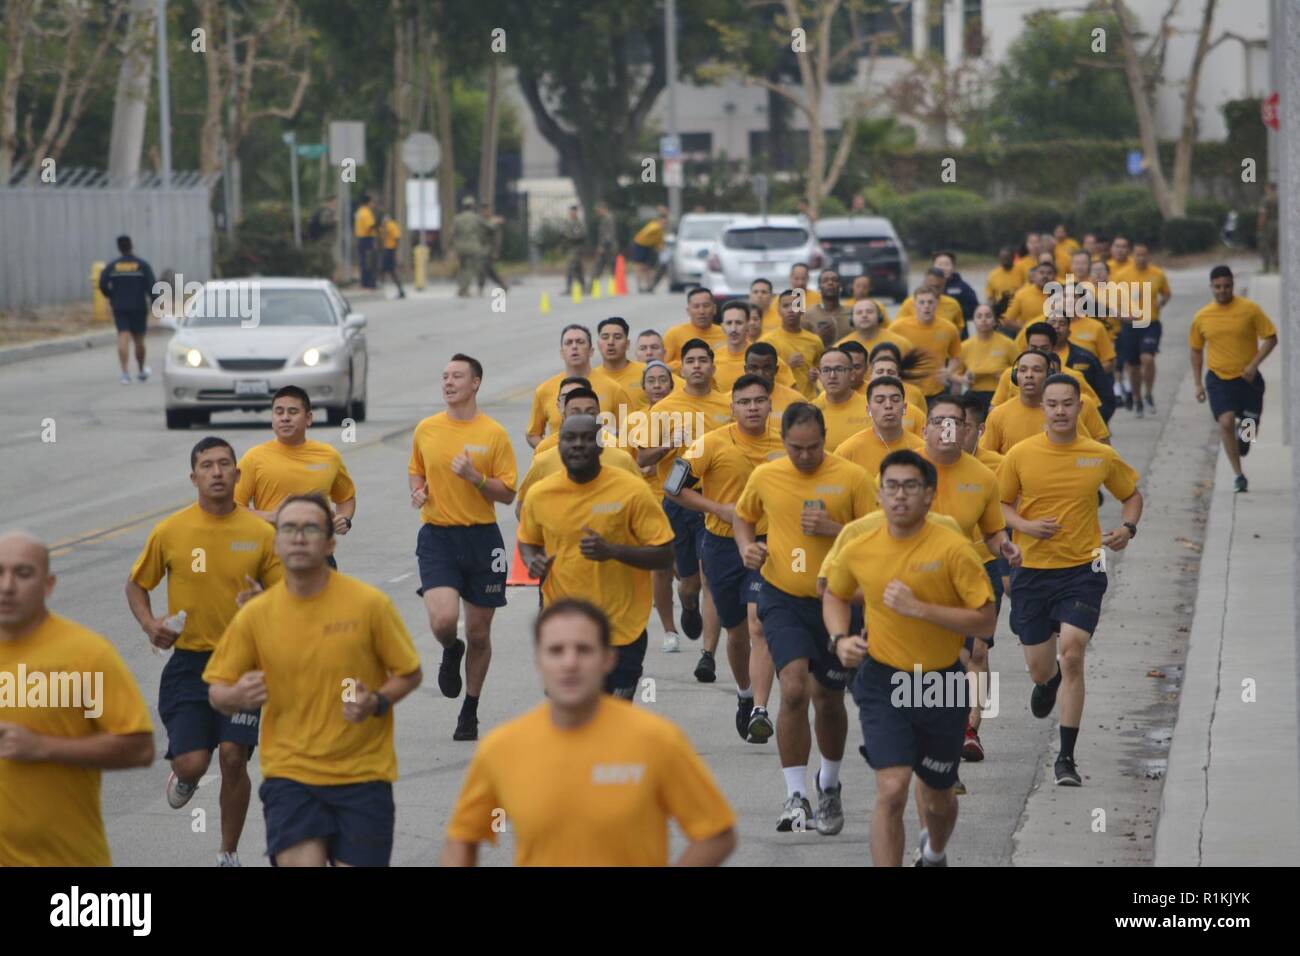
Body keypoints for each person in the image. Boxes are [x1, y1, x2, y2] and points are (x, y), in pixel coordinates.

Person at [205, 493, 423, 866]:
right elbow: (217, 689)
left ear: (330, 542)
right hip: (290, 777)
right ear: (276, 542)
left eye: (310, 528)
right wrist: (236, 694)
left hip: (362, 776)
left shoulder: (369, 605)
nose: (299, 537)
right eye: (288, 528)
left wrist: (377, 702)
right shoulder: (257, 615)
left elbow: (409, 672)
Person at [441, 600, 737, 866]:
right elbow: (462, 837)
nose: (570, 662)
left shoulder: (657, 741)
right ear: (539, 662)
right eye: (556, 651)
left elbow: (716, 833)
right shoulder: (503, 748)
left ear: (607, 658)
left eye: (584, 649)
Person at [823, 451, 996, 866]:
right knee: (892, 788)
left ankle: (934, 853)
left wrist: (921, 609)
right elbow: (834, 592)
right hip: (883, 679)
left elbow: (986, 617)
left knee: (937, 798)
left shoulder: (952, 546)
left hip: (939, 682)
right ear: (879, 494)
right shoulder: (860, 544)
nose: (900, 496)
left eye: (910, 487)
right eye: (891, 487)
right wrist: (839, 639)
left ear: (929, 495)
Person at [126, 437, 282, 866]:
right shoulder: (172, 530)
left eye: (224, 464)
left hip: (243, 667)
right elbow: (137, 583)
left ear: (236, 474)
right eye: (207, 466)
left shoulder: (259, 533)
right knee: (194, 763)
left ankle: (227, 854)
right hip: (190, 665)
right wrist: (149, 624)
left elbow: (289, 595)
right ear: (193, 477)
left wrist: (263, 606)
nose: (216, 472)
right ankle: (185, 775)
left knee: (234, 757)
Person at [734, 404, 872, 833]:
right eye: (796, 448)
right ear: (784, 441)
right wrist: (747, 548)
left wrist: (834, 529)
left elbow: (880, 532)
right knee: (792, 686)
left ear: (825, 437)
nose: (805, 456)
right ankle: (796, 796)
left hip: (837, 600)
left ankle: (828, 784)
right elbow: (743, 516)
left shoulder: (852, 477)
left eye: (813, 447)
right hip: (783, 597)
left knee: (828, 699)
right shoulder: (766, 475)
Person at [999, 375, 1143, 786]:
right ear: (1042, 409)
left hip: (1084, 568)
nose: (1060, 411)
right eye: (1053, 404)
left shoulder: (1098, 455)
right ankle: (1048, 683)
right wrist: (1025, 524)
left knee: (1073, 653)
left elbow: (1131, 495)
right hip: (1032, 571)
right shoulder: (1021, 455)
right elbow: (1001, 505)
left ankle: (1066, 759)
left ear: (1081, 407)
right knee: (1041, 668)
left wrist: (1127, 529)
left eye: (1067, 404)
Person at [0, 531, 154, 866]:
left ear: (48, 585)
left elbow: (140, 746)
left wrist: (43, 747)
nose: (7, 585)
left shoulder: (86, 654)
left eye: (23, 573)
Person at [518, 416, 675, 699]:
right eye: (570, 438)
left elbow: (665, 554)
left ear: (601, 446)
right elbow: (527, 541)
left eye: (586, 438)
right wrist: (532, 561)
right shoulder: (540, 494)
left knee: (612, 721)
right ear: (559, 446)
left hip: (621, 627)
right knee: (573, 718)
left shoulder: (631, 490)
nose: (578, 445)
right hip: (566, 624)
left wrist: (613, 551)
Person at [669, 374, 786, 739]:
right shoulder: (711, 444)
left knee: (759, 624)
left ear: (770, 405)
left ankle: (760, 709)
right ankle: (745, 694)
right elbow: (673, 488)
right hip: (721, 546)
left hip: (770, 544)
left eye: (759, 401)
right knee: (736, 631)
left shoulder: (785, 442)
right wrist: (717, 508)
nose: (753, 408)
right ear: (732, 407)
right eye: (745, 402)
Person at [409, 355, 517, 741]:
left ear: (476, 383)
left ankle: (469, 709)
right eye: (444, 376)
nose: (449, 382)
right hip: (438, 537)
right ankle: (450, 648)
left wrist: (476, 478)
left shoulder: (494, 433)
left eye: (457, 376)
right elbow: (416, 470)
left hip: (483, 539)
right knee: (442, 621)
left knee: (481, 633)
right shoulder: (426, 429)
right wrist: (418, 492)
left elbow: (506, 495)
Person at [917, 397, 1021, 784]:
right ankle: (941, 730)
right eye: (938, 421)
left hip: (976, 571)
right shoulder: (906, 468)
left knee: (975, 651)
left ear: (967, 429)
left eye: (954, 422)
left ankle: (969, 728)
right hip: (921, 576)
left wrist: (1005, 547)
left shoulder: (981, 475)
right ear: (925, 427)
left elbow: (993, 530)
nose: (946, 429)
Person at [637, 339, 733, 665]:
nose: (696, 366)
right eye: (690, 360)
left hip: (715, 500)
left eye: (702, 360)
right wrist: (667, 445)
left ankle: (707, 655)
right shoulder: (663, 408)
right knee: (690, 583)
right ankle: (688, 605)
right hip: (678, 502)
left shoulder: (726, 405)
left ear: (712, 366)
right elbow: (642, 459)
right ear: (683, 367)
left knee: (710, 578)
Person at [235, 386, 356, 569]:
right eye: (279, 412)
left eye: (293, 412)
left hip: (319, 555)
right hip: (273, 556)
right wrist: (270, 516)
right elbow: (233, 509)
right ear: (272, 418)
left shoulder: (328, 456)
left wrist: (343, 519)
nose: (285, 417)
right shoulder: (254, 458)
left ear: (308, 419)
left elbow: (346, 497)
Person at [1189, 265, 1278, 494]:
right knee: (1226, 421)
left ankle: (1244, 441)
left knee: (1246, 440)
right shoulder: (1202, 316)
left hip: (1248, 380)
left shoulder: (1250, 309)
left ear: (1232, 285)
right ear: (1211, 287)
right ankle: (1239, 475)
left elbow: (1270, 337)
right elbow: (1196, 350)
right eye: (1217, 287)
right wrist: (1198, 382)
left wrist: (1253, 365)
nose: (1222, 291)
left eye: (1226, 286)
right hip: (1218, 379)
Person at [526, 324, 634, 449]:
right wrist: (550, 453)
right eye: (568, 343)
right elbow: (533, 434)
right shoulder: (544, 390)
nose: (574, 347)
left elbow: (629, 432)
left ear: (591, 351)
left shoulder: (613, 389)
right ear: (561, 353)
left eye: (580, 342)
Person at [982, 349, 1106, 454]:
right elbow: (986, 458)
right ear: (1015, 376)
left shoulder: (1061, 414)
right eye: (1023, 370)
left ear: (1049, 375)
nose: (1029, 375)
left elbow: (1088, 451)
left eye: (1037, 370)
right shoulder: (998, 415)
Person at [1117, 243, 1171, 416]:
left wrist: (1161, 303)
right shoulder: (1122, 275)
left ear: (1149, 256)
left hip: (1150, 323)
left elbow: (1167, 293)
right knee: (1133, 367)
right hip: (1130, 325)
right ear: (1133, 255)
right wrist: (1122, 316)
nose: (1141, 258)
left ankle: (1148, 392)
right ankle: (1137, 398)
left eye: (1144, 254)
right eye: (1137, 254)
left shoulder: (1157, 274)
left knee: (1147, 358)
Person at [836, 375, 926, 477]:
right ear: (868, 410)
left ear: (904, 408)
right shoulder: (848, 451)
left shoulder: (921, 449)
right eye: (880, 400)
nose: (888, 405)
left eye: (895, 400)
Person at [100, 234, 158, 385]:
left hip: (119, 306)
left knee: (122, 336)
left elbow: (102, 283)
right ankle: (140, 371)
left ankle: (125, 373)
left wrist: (111, 295)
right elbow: (152, 287)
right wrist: (155, 303)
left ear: (119, 248)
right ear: (132, 245)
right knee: (139, 339)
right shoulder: (142, 265)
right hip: (138, 306)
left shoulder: (113, 266)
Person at [890, 287, 960, 403]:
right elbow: (884, 353)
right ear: (914, 305)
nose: (926, 306)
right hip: (907, 391)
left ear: (936, 304)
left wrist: (949, 371)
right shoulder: (898, 327)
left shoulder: (949, 328)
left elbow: (956, 357)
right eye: (922, 302)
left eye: (930, 302)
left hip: (937, 390)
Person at [760, 289, 825, 399]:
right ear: (778, 310)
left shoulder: (815, 340)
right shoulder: (766, 341)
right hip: (779, 399)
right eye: (785, 306)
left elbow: (822, 369)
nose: (791, 310)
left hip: (809, 399)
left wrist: (816, 374)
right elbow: (761, 374)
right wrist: (786, 366)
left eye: (795, 306)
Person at [957, 304, 1015, 415]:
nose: (983, 320)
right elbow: (954, 373)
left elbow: (1019, 367)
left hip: (1000, 394)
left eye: (988, 316)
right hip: (974, 395)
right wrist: (964, 379)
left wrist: (1006, 375)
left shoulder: (1008, 343)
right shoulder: (964, 346)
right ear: (973, 321)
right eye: (979, 316)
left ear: (994, 321)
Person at [810, 347, 868, 451]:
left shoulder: (871, 408)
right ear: (820, 375)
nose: (832, 376)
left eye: (839, 369)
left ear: (852, 375)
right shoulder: (810, 411)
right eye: (826, 370)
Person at [664, 287, 726, 366]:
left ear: (714, 309)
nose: (701, 311)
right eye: (696, 306)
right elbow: (663, 366)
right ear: (688, 311)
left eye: (706, 306)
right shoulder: (674, 334)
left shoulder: (725, 333)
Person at [595, 316, 647, 408]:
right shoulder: (591, 378)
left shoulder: (646, 372)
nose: (610, 342)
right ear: (598, 344)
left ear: (627, 344)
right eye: (605, 337)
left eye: (617, 337)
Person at [895, 269, 964, 335]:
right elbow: (896, 328)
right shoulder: (909, 303)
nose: (934, 290)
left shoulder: (952, 304)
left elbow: (959, 328)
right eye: (930, 286)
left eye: (938, 287)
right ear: (924, 283)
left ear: (944, 285)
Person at [1001, 260, 1052, 335]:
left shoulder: (1060, 295)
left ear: (1055, 276)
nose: (1045, 276)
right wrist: (1028, 329)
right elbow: (1007, 320)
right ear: (1034, 276)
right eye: (1041, 273)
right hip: (1028, 337)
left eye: (1049, 273)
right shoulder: (1021, 294)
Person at [804, 269, 851, 341]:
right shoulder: (808, 315)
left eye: (834, 280)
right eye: (825, 281)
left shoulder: (851, 313)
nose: (830, 283)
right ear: (819, 287)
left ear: (840, 286)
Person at [932, 251, 979, 325]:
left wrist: (953, 312)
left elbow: (975, 310)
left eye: (947, 264)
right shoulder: (927, 288)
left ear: (953, 267)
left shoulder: (963, 288)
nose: (943, 268)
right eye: (939, 264)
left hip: (958, 332)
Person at [452, 196, 486, 297]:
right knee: (470, 268)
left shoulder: (457, 218)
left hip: (460, 247)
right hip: (473, 247)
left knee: (462, 267)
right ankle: (464, 288)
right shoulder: (476, 218)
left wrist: (452, 247)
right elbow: (486, 227)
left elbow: (453, 233)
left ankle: (461, 286)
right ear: (472, 206)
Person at [631, 206, 668, 292]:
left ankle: (649, 286)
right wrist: (659, 227)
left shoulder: (661, 232)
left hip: (648, 247)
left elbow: (660, 244)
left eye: (666, 223)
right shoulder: (654, 225)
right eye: (663, 222)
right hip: (639, 244)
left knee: (647, 267)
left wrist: (663, 251)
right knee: (639, 265)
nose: (664, 224)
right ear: (660, 221)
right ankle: (639, 286)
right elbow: (647, 232)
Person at [477, 202, 509, 293]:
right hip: (481, 250)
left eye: (487, 210)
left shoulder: (493, 222)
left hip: (489, 250)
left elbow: (497, 240)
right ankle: (502, 285)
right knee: (487, 270)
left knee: (485, 269)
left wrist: (495, 252)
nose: (486, 212)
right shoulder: (482, 221)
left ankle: (481, 287)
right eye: (484, 211)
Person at [986, 247, 1022, 325]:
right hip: (1001, 316)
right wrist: (991, 315)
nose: (1005, 261)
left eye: (1007, 258)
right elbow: (990, 298)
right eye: (1002, 259)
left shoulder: (1021, 272)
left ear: (1013, 258)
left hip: (1019, 317)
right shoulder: (993, 275)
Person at [378, 212, 405, 298]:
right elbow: (381, 238)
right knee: (388, 270)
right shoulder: (382, 227)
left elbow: (397, 237)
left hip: (390, 250)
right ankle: (400, 290)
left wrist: (395, 250)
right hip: (386, 249)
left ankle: (380, 284)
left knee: (387, 269)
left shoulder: (392, 226)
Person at [561, 204, 587, 295]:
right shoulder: (567, 223)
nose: (572, 214)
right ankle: (582, 287)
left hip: (576, 249)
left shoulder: (578, 224)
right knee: (577, 269)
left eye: (573, 212)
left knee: (571, 268)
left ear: (576, 213)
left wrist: (570, 237)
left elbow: (579, 236)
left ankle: (570, 288)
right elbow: (564, 235)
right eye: (570, 212)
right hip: (569, 249)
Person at [354, 194, 377, 289]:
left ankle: (364, 282)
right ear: (369, 202)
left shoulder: (359, 211)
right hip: (367, 239)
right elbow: (370, 226)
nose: (374, 204)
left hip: (361, 239)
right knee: (369, 261)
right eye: (372, 202)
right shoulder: (366, 213)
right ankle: (368, 282)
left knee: (363, 261)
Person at [592, 201, 619, 281]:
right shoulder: (605, 218)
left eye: (598, 210)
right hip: (608, 246)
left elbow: (609, 234)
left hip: (609, 247)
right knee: (602, 266)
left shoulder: (608, 218)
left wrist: (602, 246)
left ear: (603, 209)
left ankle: (592, 285)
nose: (597, 212)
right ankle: (591, 285)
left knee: (604, 265)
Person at [1258, 182, 1279, 273]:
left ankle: (1266, 267)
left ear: (1268, 188)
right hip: (1278, 224)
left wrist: (1260, 227)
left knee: (1265, 246)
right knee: (1276, 246)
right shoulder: (1279, 198)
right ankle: (1277, 266)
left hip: (1268, 226)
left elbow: (1263, 214)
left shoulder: (1266, 199)